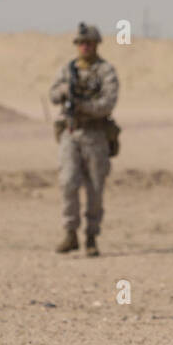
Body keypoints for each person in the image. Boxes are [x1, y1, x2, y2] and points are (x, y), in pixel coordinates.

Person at [48, 23, 119, 257]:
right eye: (81, 43)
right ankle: (70, 233)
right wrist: (64, 93)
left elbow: (107, 103)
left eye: (89, 43)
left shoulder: (105, 71)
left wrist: (84, 106)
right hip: (70, 132)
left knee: (95, 187)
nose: (84, 47)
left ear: (96, 44)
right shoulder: (68, 70)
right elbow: (52, 93)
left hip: (95, 135)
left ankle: (91, 236)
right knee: (67, 182)